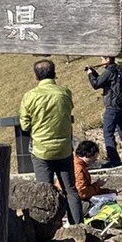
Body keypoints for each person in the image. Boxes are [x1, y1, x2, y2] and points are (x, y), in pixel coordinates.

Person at [20, 59, 83, 224]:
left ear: (36, 76)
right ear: (54, 73)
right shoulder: (65, 92)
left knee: (44, 190)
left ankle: (46, 227)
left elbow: (25, 125)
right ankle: (78, 225)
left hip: (41, 149)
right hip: (64, 148)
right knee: (70, 189)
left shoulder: (30, 96)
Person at [84, 56, 122, 167]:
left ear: (107, 60)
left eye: (102, 59)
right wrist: (94, 73)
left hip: (113, 106)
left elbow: (96, 84)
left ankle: (114, 160)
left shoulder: (109, 71)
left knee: (108, 132)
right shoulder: (119, 70)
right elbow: (104, 82)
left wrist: (90, 74)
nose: (101, 61)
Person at [73, 140, 118, 217]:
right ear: (88, 154)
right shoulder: (78, 169)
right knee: (105, 205)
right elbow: (82, 193)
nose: (95, 160)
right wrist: (97, 185)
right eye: (94, 157)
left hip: (74, 200)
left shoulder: (76, 164)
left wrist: (107, 191)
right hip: (74, 203)